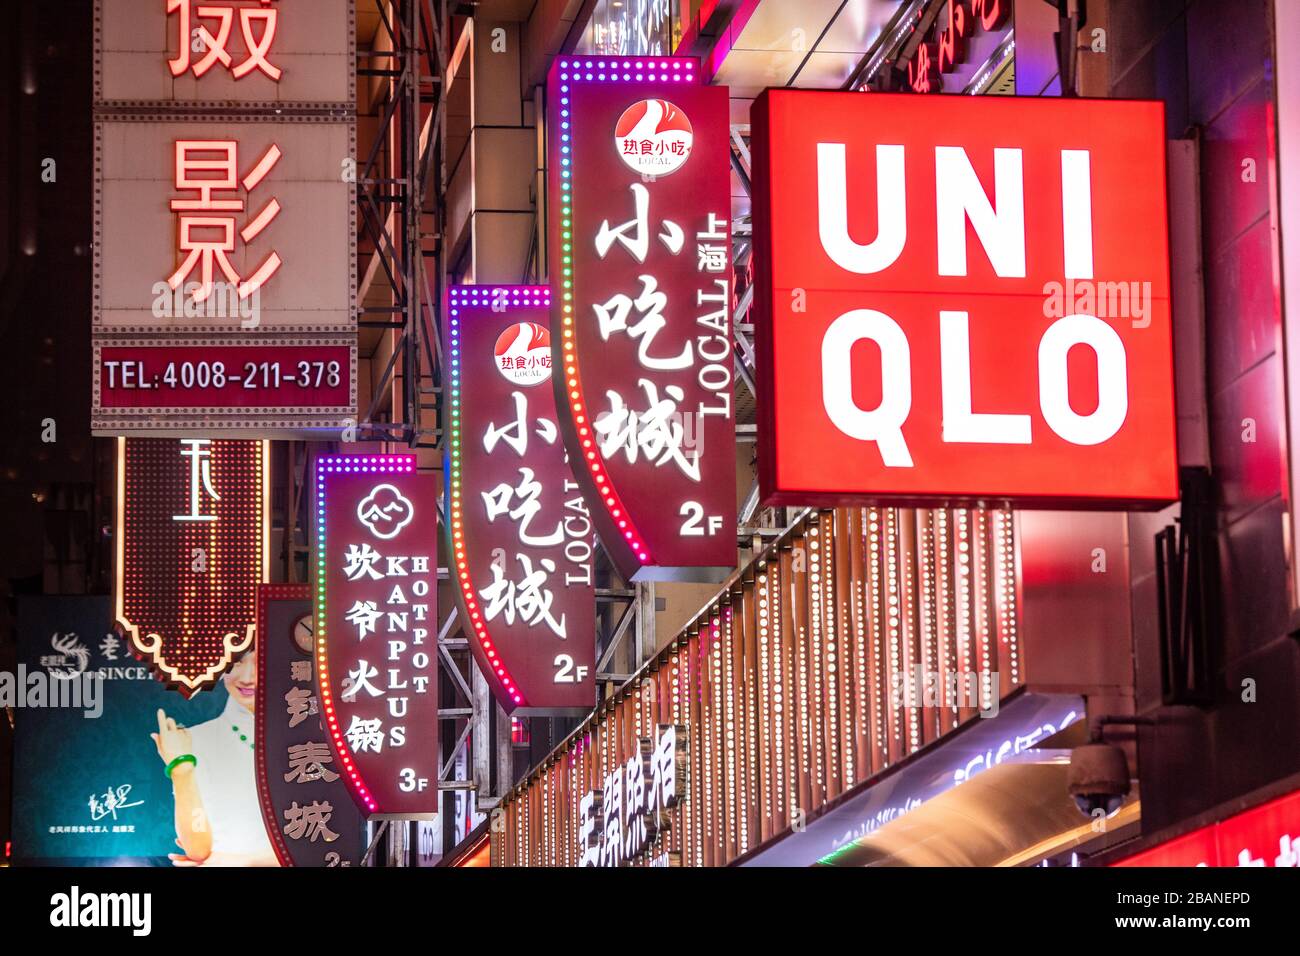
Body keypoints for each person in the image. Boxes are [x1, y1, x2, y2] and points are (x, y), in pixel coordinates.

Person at [151, 647, 279, 866]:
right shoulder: (193, 740)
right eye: (237, 661)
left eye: (261, 661)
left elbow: (322, 845)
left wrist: (244, 863)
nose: (247, 678)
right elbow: (198, 850)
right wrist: (181, 770)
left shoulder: (312, 740)